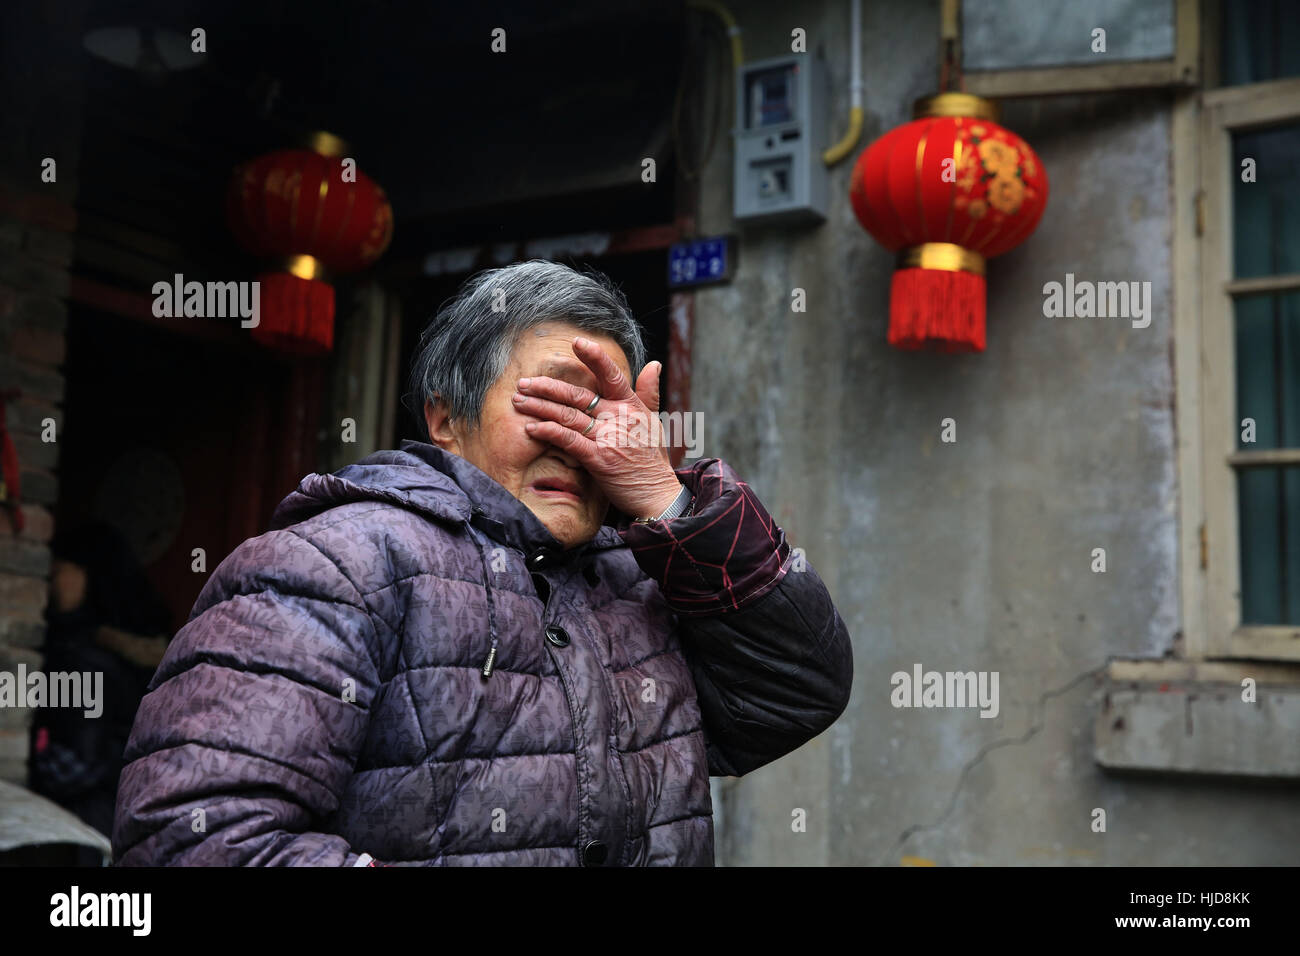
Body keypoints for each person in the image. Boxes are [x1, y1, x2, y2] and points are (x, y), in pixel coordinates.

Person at [113, 259, 853, 866]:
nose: (579, 440)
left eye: (603, 414)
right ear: (445, 420)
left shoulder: (637, 579)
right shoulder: (337, 564)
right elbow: (192, 836)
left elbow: (796, 691)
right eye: (552, 402)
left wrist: (670, 505)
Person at [30, 520, 171, 865]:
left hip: (88, 829)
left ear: (89, 575)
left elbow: (74, 767)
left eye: (60, 567)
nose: (48, 578)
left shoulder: (88, 659)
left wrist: (24, 755)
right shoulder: (93, 645)